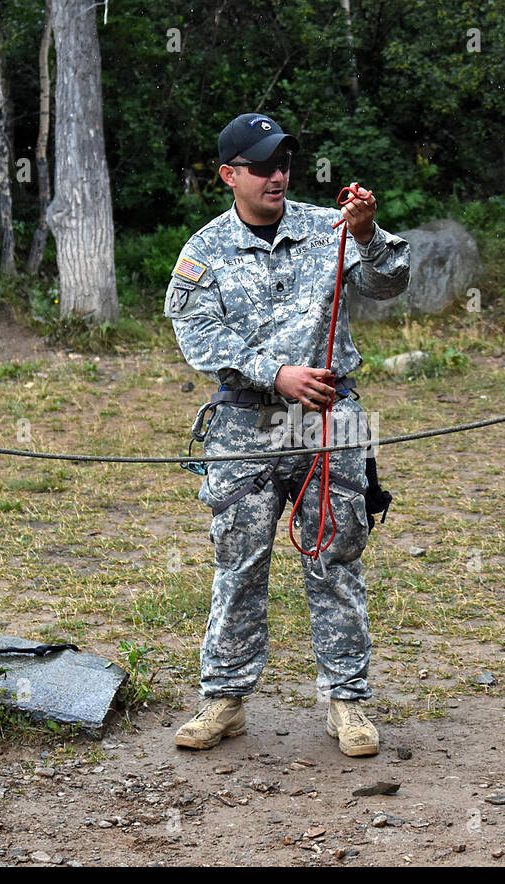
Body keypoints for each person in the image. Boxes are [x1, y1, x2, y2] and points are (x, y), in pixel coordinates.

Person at [165, 113, 410, 757]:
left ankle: (347, 702)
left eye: (284, 163)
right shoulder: (204, 251)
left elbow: (392, 283)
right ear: (229, 175)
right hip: (244, 427)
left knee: (334, 556)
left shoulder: (330, 228)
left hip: (330, 423)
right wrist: (275, 373)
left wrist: (368, 234)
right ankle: (224, 699)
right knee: (239, 562)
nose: (278, 175)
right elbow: (196, 334)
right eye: (263, 165)